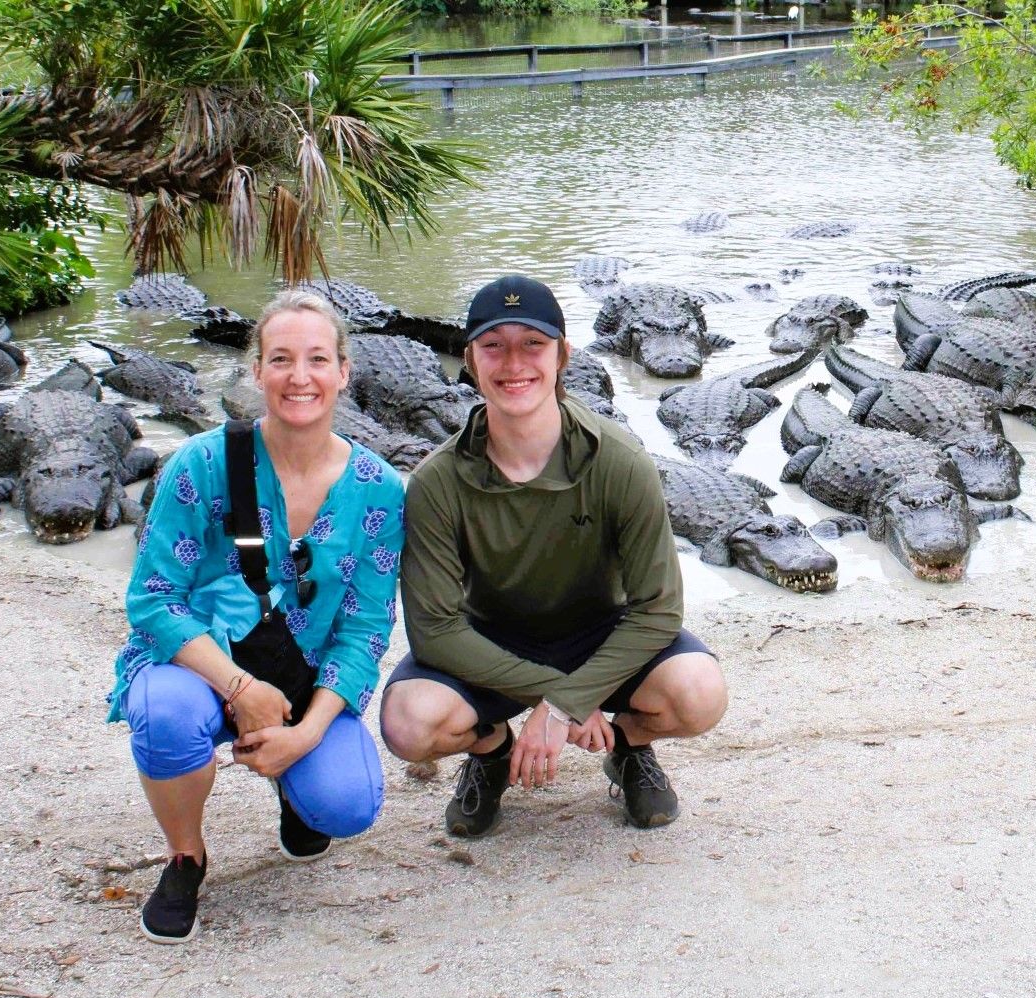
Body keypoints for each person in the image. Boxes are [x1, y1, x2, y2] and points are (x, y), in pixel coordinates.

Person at [381, 274, 727, 837]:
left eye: (533, 344)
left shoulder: (620, 461)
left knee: (699, 694)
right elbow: (436, 631)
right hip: (489, 642)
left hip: (602, 635)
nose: (514, 363)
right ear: (469, 360)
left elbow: (658, 611)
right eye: (494, 345)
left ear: (563, 355)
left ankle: (628, 745)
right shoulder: (435, 480)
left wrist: (567, 701)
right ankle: (493, 752)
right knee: (409, 724)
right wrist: (559, 697)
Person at [110, 291, 405, 943]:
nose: (300, 376)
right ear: (256, 370)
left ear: (343, 371)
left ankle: (293, 780)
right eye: (281, 359)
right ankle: (186, 855)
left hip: (304, 680)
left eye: (317, 359)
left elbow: (364, 630)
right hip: (202, 667)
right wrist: (241, 689)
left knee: (347, 804)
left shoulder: (381, 489)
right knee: (162, 716)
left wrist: (303, 733)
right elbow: (153, 598)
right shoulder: (202, 463)